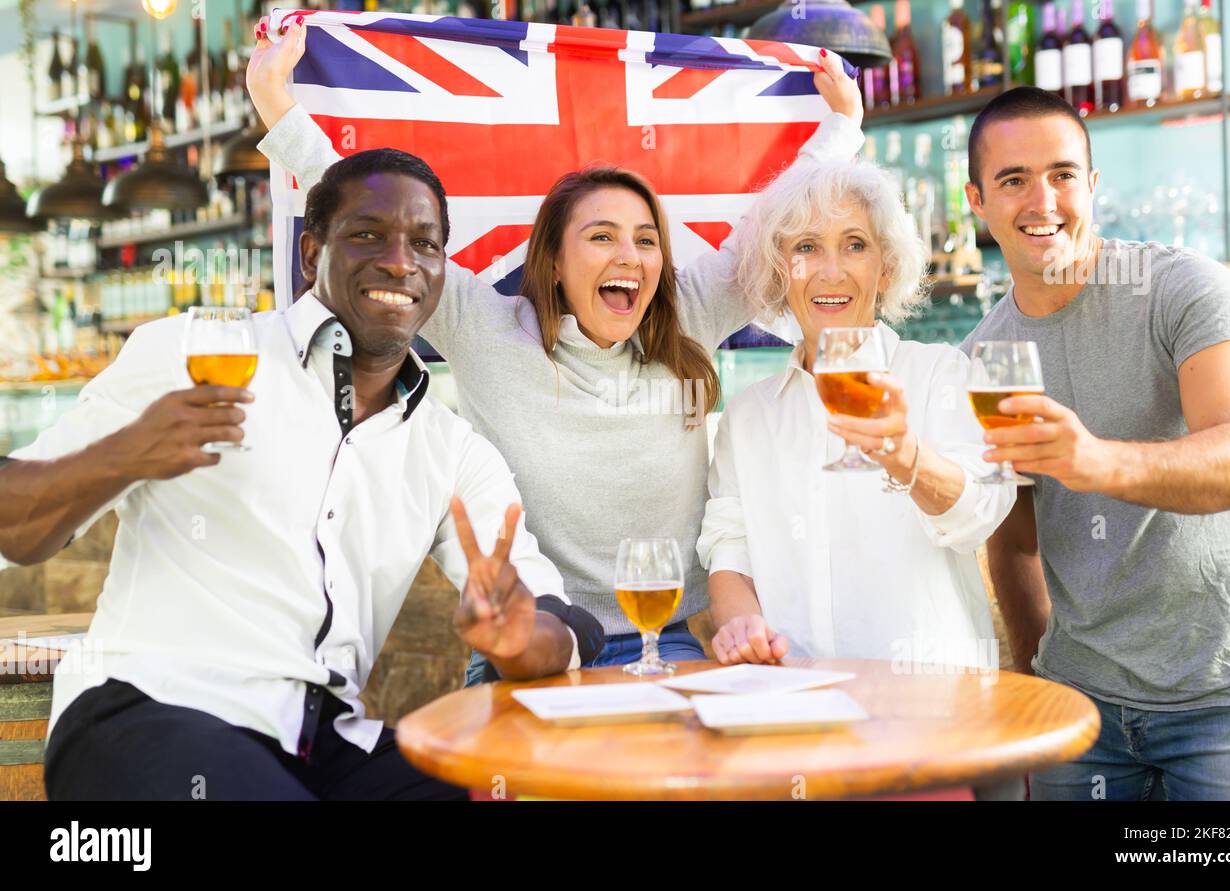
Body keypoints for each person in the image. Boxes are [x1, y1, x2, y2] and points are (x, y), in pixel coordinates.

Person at [246, 19, 866, 676]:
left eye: (645, 239)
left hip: (668, 636)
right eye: (601, 237)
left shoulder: (688, 313)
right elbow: (370, 212)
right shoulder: (486, 327)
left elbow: (774, 225)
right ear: (554, 264)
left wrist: (841, 127)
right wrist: (275, 101)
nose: (630, 255)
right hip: (536, 642)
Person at [0, 148, 603, 801]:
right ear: (312, 253)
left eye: (424, 243)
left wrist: (519, 641)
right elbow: (16, 527)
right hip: (150, 711)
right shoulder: (190, 356)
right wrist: (126, 453)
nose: (400, 260)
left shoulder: (453, 449)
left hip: (326, 745)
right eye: (369, 234)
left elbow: (555, 623)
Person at [962, 86, 1230, 800]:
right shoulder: (982, 355)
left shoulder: (1185, 289)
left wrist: (1094, 459)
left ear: (1092, 185)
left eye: (1061, 174)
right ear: (976, 200)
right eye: (1013, 179)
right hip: (1082, 709)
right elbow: (1013, 536)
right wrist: (1039, 675)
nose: (1042, 199)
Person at [698, 157, 1014, 675]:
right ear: (781, 269)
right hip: (794, 706)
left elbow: (980, 515)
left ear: (885, 266)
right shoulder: (748, 416)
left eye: (855, 245)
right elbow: (729, 548)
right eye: (805, 248)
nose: (830, 270)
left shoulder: (941, 375)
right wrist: (740, 625)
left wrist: (903, 455)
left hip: (932, 711)